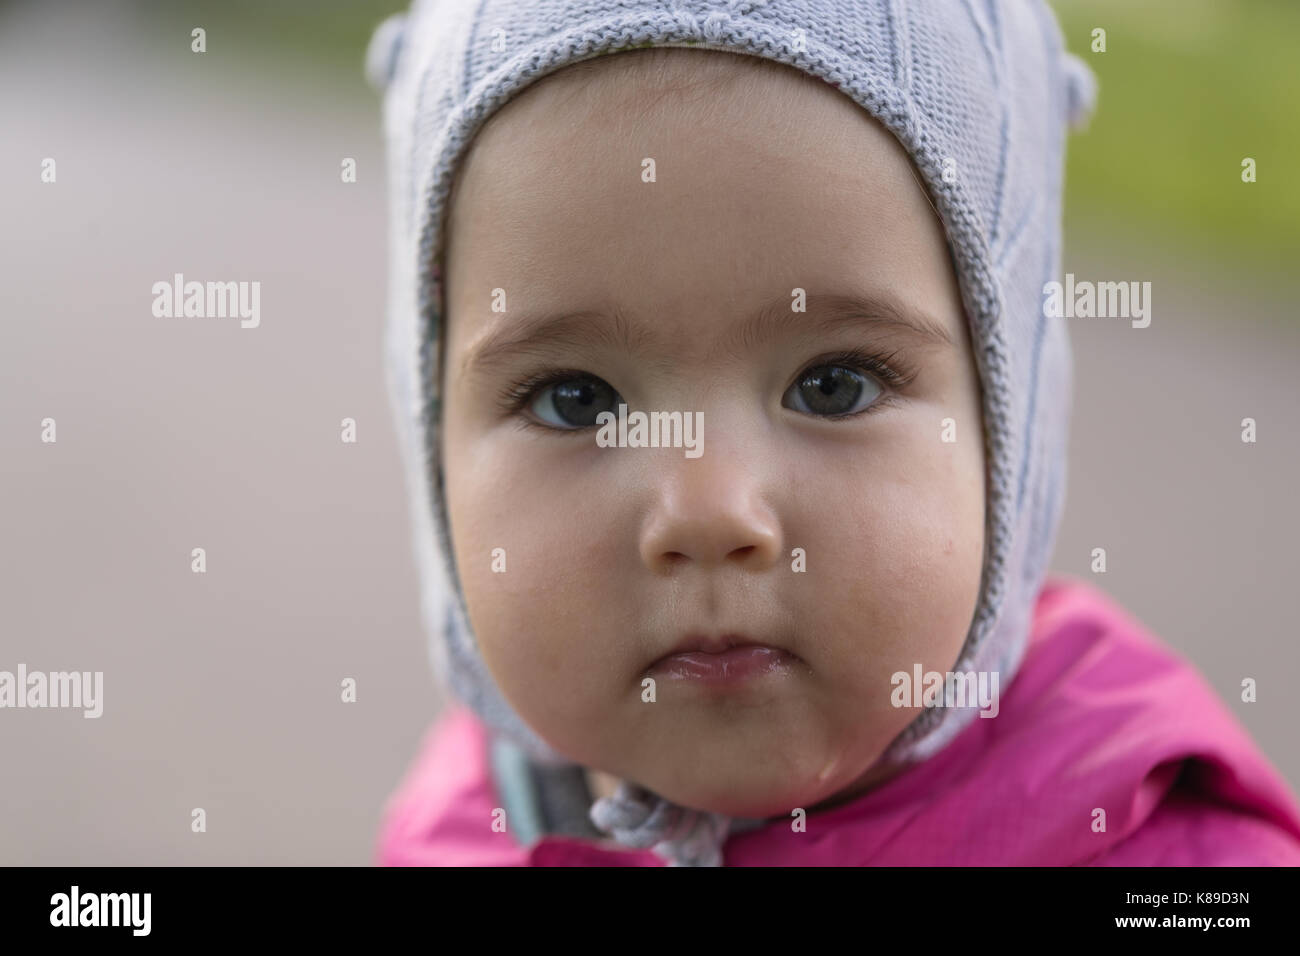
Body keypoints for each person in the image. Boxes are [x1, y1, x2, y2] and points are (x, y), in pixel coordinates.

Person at [365, 0, 1300, 866]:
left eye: (834, 386)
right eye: (576, 399)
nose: (707, 511)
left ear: (1010, 427)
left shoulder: (1168, 860)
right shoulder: (463, 817)